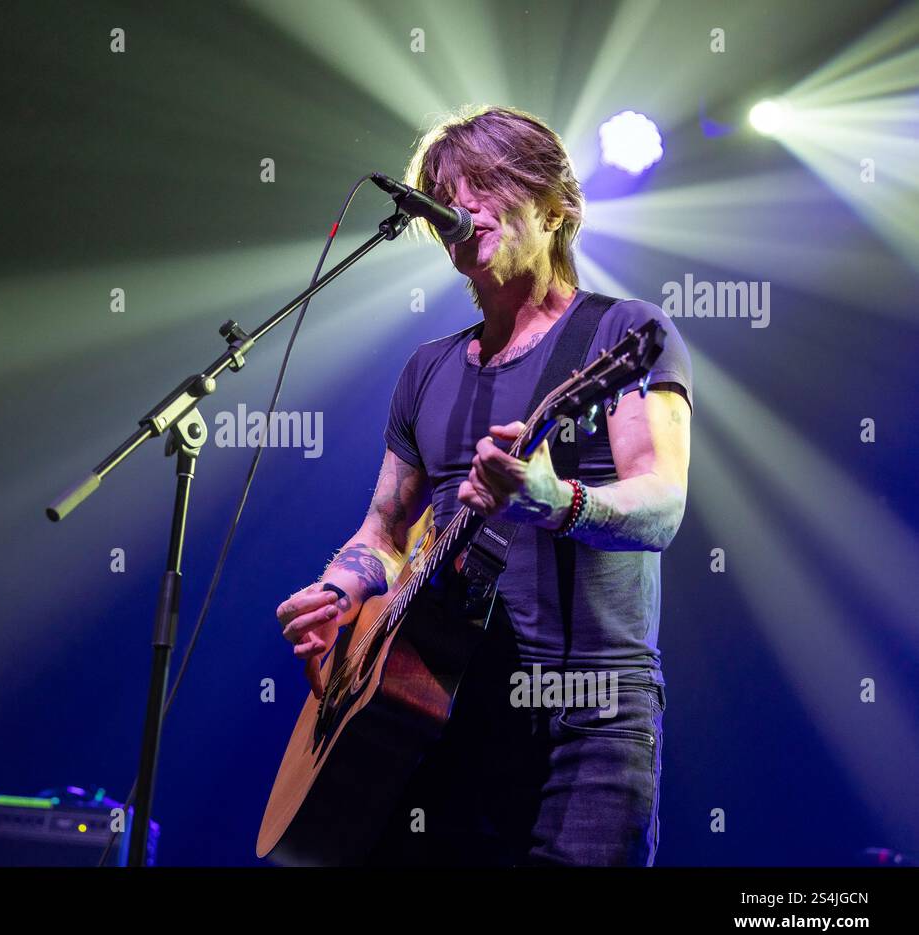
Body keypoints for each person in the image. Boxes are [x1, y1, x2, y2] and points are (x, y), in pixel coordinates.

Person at [274, 106, 693, 865]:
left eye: (486, 185)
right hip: (440, 710)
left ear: (555, 205)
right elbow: (383, 532)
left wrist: (557, 501)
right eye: (443, 191)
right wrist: (342, 590)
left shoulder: (619, 333)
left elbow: (661, 503)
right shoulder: (427, 369)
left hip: (586, 717)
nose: (458, 206)